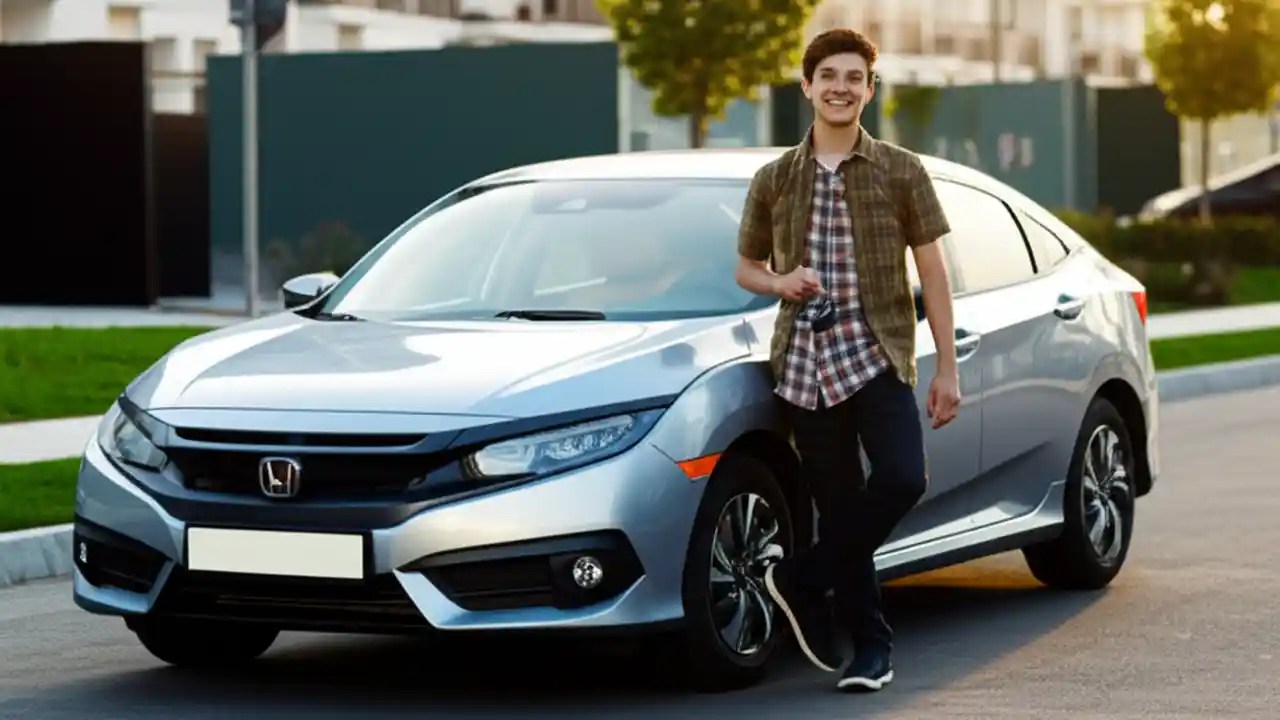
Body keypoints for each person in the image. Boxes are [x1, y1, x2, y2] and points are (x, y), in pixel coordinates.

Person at [733, 28, 960, 693]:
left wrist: (947, 366)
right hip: (805, 366)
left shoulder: (900, 169)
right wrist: (780, 283)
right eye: (827, 75)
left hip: (877, 355)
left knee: (901, 478)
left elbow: (935, 273)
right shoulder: (775, 178)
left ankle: (801, 576)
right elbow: (747, 267)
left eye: (854, 77)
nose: (840, 87)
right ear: (806, 86)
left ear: (869, 88)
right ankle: (870, 650)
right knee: (839, 511)